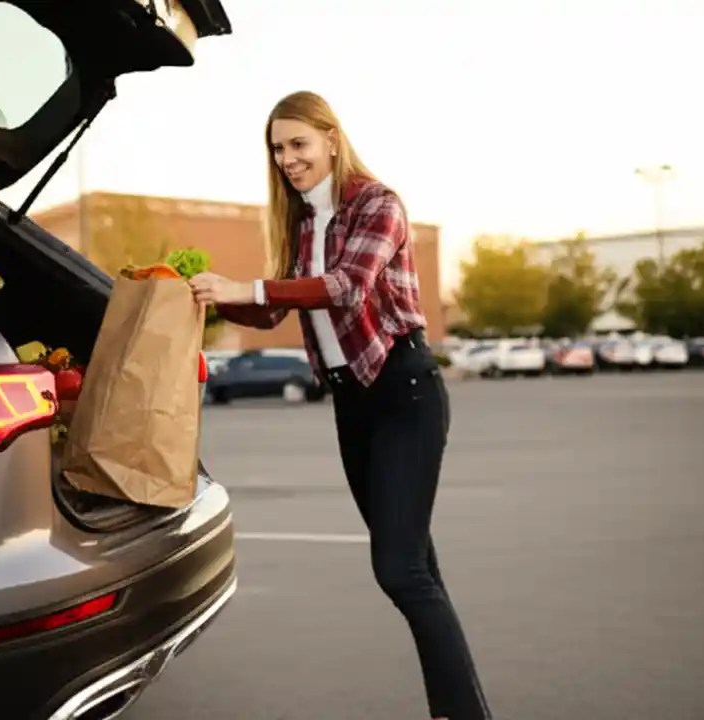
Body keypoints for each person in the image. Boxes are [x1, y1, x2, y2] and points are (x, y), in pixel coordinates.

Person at [188, 90, 492, 720]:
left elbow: (347, 289)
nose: (288, 159)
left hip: (404, 391)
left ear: (331, 137)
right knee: (418, 573)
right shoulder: (303, 223)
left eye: (298, 143)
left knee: (400, 571)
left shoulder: (377, 204)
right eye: (277, 148)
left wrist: (242, 285)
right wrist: (207, 295)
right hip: (353, 403)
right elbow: (275, 306)